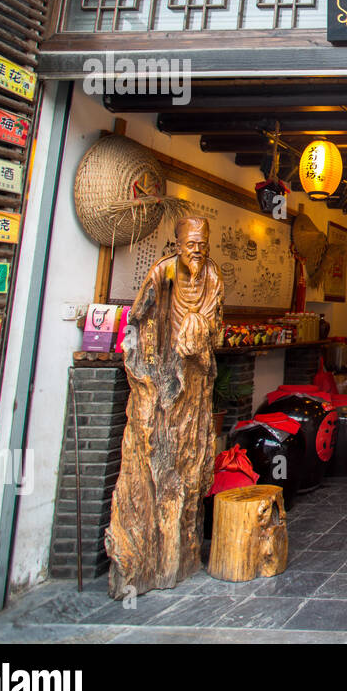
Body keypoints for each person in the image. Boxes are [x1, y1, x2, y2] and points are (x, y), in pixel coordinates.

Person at [106, 216, 224, 599]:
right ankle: (143, 558)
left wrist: (198, 328)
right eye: (192, 244)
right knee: (155, 458)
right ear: (177, 244)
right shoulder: (163, 273)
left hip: (194, 379)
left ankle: (181, 550)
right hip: (159, 380)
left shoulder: (213, 277)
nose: (198, 250)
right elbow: (140, 316)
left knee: (190, 459)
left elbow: (216, 322)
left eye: (202, 244)